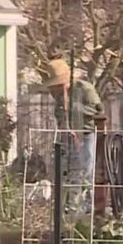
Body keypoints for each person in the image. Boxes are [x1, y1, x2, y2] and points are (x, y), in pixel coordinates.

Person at [41, 58, 103, 215]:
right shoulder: (59, 97)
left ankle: (88, 203)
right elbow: (59, 115)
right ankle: (70, 203)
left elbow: (98, 110)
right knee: (70, 171)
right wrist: (65, 128)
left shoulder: (85, 89)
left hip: (87, 134)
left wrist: (74, 110)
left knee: (87, 169)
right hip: (68, 137)